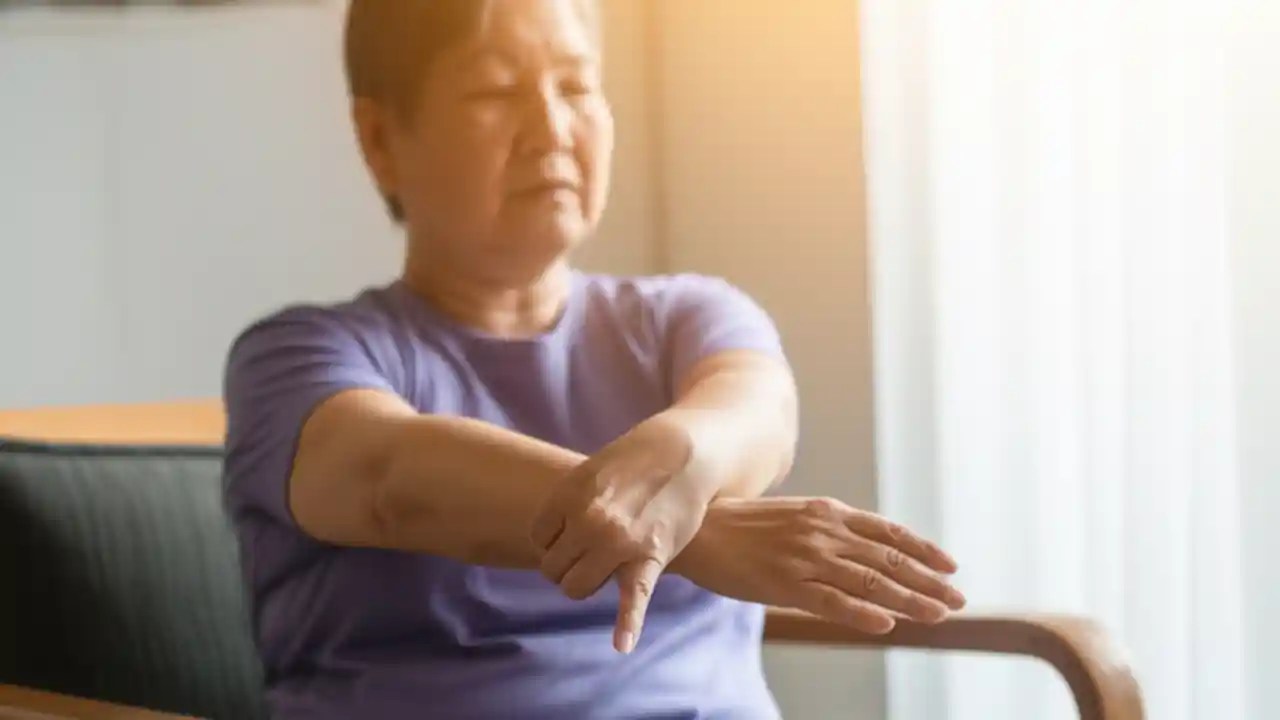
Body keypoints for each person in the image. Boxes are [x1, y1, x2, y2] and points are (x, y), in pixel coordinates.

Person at [221, 1, 966, 718]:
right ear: (381, 139)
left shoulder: (689, 316)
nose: (550, 129)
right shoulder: (298, 358)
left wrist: (679, 456)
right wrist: (692, 532)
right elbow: (386, 478)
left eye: (576, 86)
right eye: (495, 92)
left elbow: (757, 415)